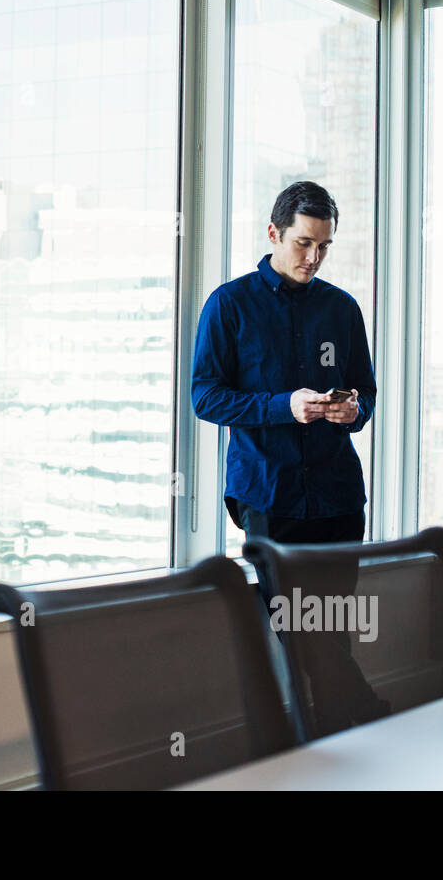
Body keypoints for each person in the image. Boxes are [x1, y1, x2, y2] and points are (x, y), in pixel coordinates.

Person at [191, 180, 385, 737]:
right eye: (303, 243)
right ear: (274, 233)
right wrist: (284, 405)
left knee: (331, 631)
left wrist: (354, 410)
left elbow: (364, 392)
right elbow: (205, 396)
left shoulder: (342, 309)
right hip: (268, 495)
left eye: (324, 246)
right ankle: (370, 720)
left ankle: (331, 749)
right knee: (302, 630)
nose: (313, 257)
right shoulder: (229, 305)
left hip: (339, 497)